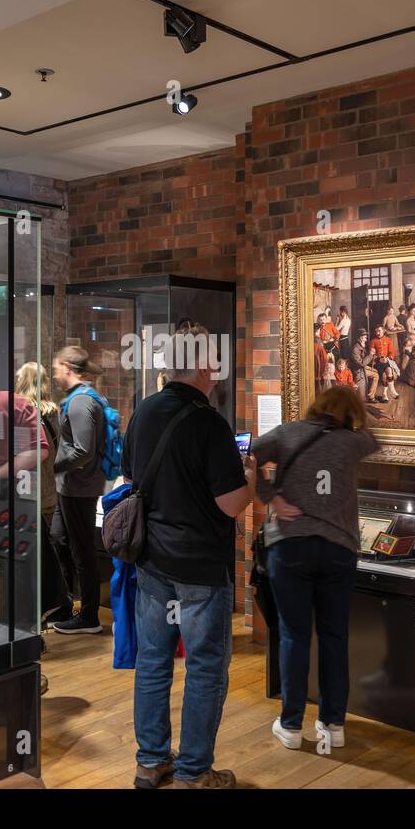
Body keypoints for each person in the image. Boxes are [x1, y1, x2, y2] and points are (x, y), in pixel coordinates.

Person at [125, 324, 255, 789]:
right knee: (204, 666)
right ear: (202, 366)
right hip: (200, 566)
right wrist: (252, 478)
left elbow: (131, 475)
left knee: (154, 661)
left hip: (152, 561)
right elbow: (232, 504)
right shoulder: (209, 423)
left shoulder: (143, 413)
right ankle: (195, 772)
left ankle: (150, 761)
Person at [253, 386, 378, 750]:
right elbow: (372, 435)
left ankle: (291, 725)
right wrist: (359, 414)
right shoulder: (355, 441)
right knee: (335, 637)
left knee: (294, 635)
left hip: (290, 545)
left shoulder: (287, 433)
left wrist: (271, 495)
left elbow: (242, 455)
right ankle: (333, 724)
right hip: (338, 548)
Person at [50, 346, 108, 634]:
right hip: (71, 487)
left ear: (67, 368)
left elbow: (84, 450)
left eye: (56, 369)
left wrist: (55, 465)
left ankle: (89, 616)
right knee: (59, 539)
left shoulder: (81, 403)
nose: (54, 374)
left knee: (82, 550)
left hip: (79, 488)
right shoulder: (77, 400)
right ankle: (66, 604)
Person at [14, 362, 68, 630]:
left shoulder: (23, 413)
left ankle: (36, 614)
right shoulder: (53, 412)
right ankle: (51, 608)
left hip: (28, 493)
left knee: (32, 557)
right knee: (46, 552)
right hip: (50, 490)